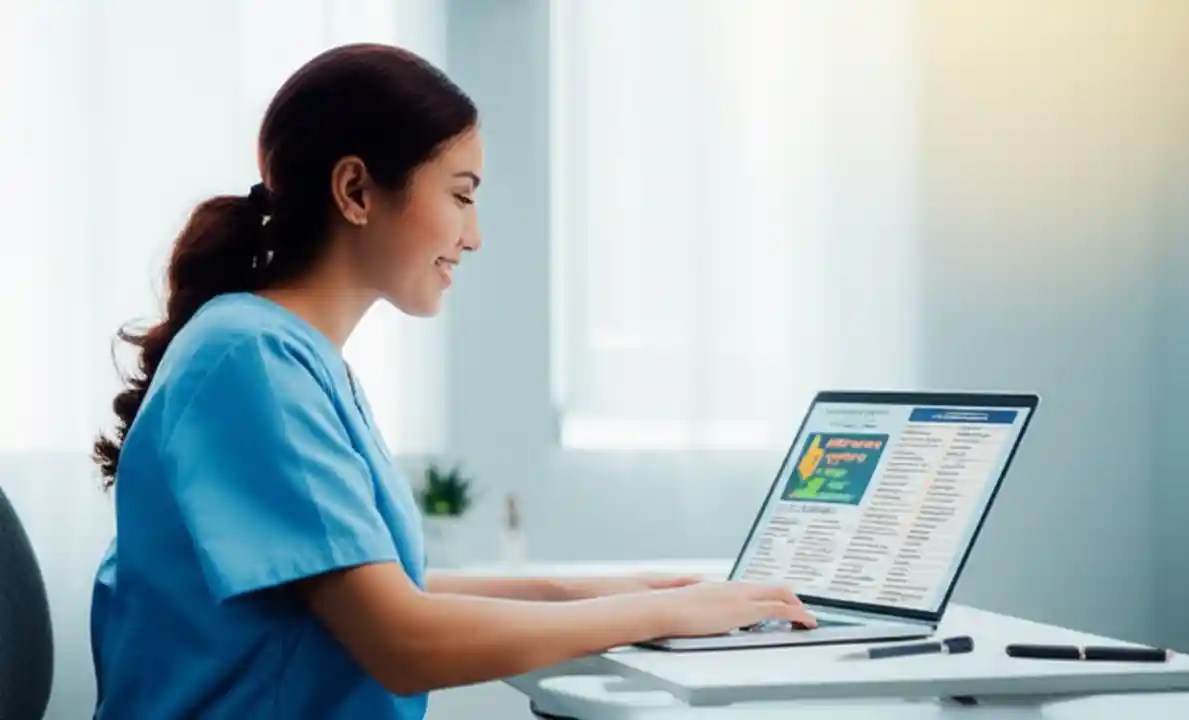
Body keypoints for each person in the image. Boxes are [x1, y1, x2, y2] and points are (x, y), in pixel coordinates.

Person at [89, 43, 815, 719]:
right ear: (356, 191)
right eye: (462, 194)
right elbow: (401, 641)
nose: (475, 235)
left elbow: (371, 589)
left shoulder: (282, 353)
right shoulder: (252, 360)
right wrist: (663, 616)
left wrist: (594, 589)